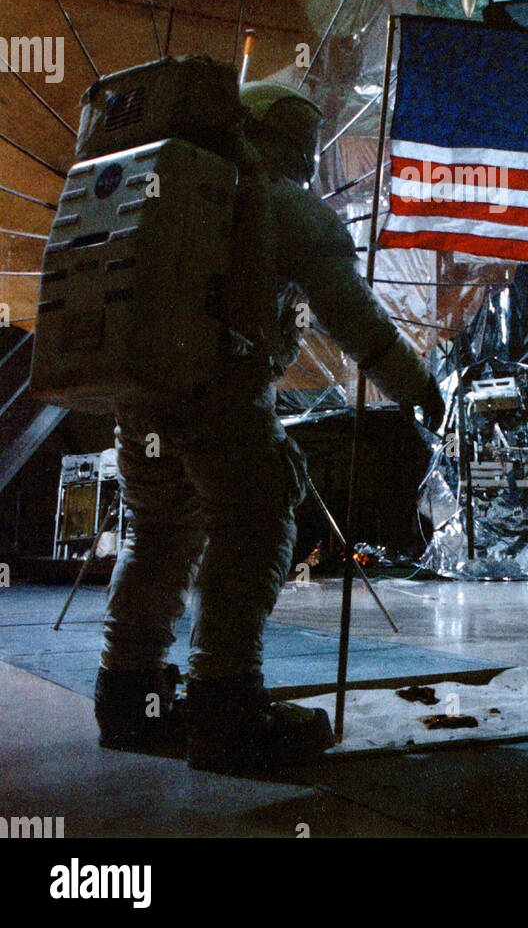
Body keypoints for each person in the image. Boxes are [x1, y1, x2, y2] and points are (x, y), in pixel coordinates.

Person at [93, 80, 444, 773]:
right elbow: (359, 324)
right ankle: (228, 707)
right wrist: (420, 390)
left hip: (142, 398)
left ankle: (127, 695)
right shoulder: (277, 204)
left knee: (160, 536)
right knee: (255, 529)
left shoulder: (169, 186)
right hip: (220, 396)